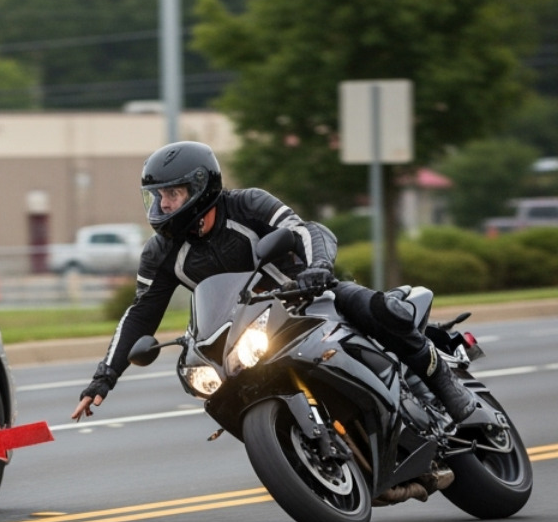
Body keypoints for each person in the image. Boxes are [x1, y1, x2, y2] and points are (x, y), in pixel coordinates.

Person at [72, 141, 480, 423]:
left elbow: (304, 230)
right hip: (246, 331)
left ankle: (445, 388)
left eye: (172, 195)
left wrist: (318, 267)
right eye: (157, 197)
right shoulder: (160, 253)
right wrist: (104, 378)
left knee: (378, 309)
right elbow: (141, 314)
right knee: (214, 390)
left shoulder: (246, 204)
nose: (162, 206)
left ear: (199, 187)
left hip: (309, 300)